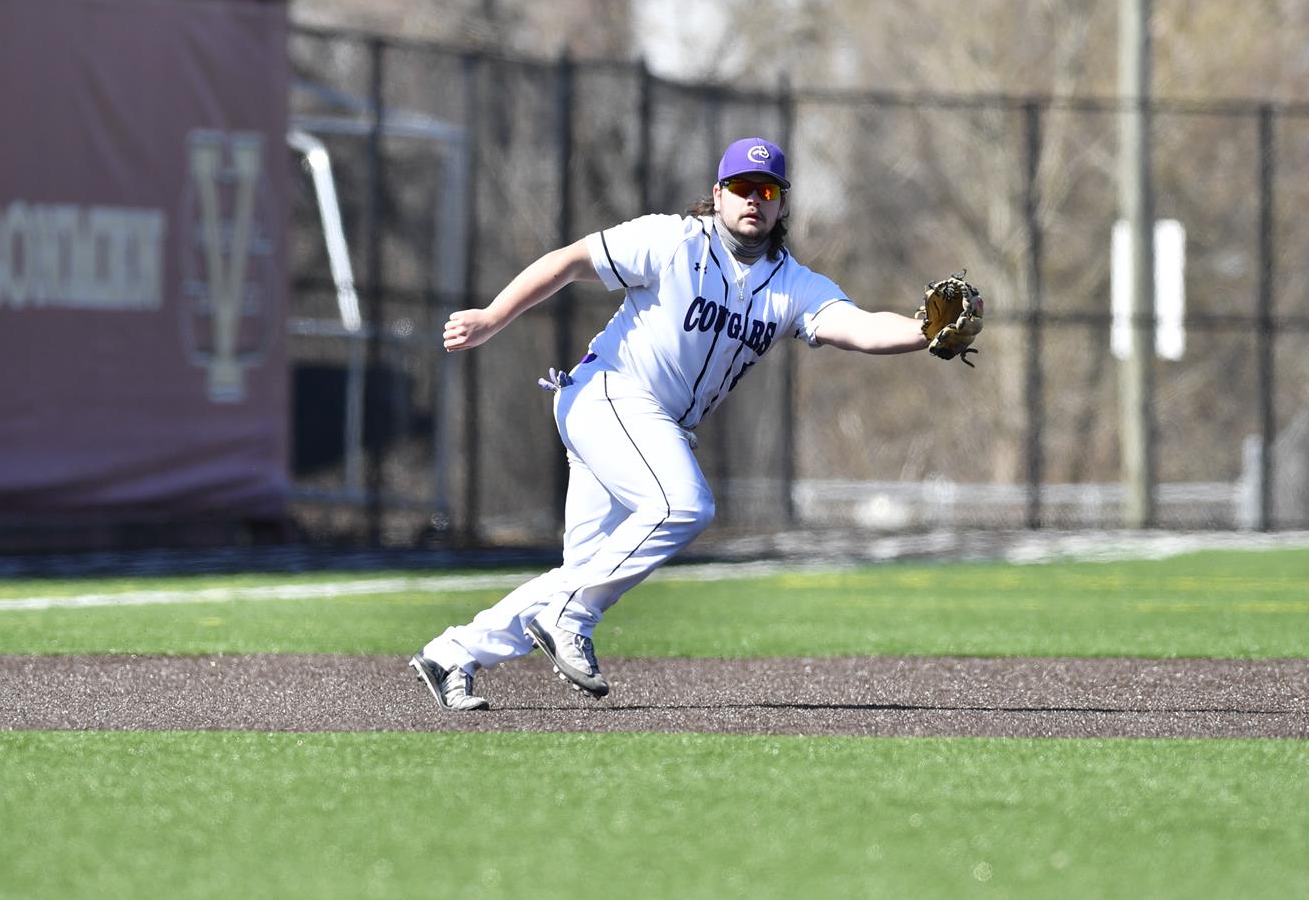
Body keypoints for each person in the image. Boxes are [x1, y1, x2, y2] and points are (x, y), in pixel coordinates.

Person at [408, 136, 976, 711]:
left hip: (650, 425)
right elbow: (570, 261)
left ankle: (453, 653)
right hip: (609, 394)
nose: (753, 199)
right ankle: (571, 614)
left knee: (585, 569)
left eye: (767, 190)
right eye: (740, 188)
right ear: (717, 195)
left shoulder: (792, 284)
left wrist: (925, 330)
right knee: (684, 505)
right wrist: (493, 316)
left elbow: (858, 328)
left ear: (782, 204)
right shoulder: (672, 239)